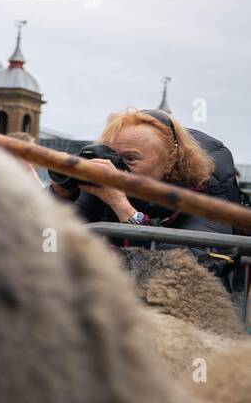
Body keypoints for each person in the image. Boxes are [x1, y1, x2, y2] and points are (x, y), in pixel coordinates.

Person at [51, 108, 238, 277]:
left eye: (130, 159)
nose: (116, 167)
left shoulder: (208, 192)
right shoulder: (102, 188)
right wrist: (60, 195)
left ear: (170, 160)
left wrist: (123, 207)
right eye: (112, 157)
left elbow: (184, 269)